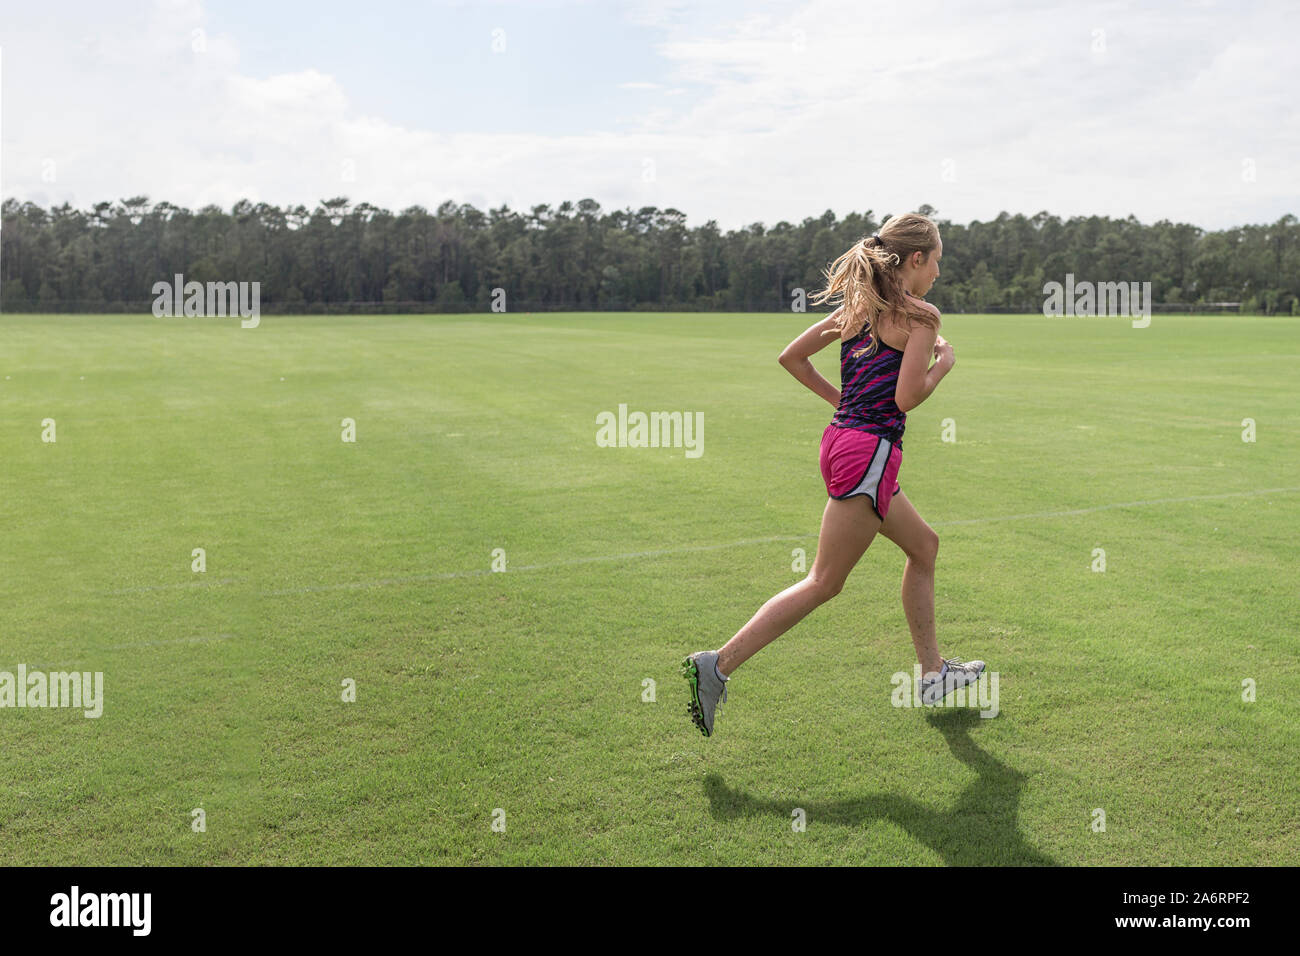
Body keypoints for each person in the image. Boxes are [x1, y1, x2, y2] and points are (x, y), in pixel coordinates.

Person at [682, 212, 985, 737]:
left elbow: (791, 357)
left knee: (924, 547)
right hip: (867, 453)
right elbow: (907, 396)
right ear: (916, 259)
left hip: (846, 445)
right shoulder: (921, 317)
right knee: (824, 581)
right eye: (937, 261)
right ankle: (717, 665)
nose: (938, 272)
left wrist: (841, 400)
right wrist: (945, 364)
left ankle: (933, 673)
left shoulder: (857, 308)